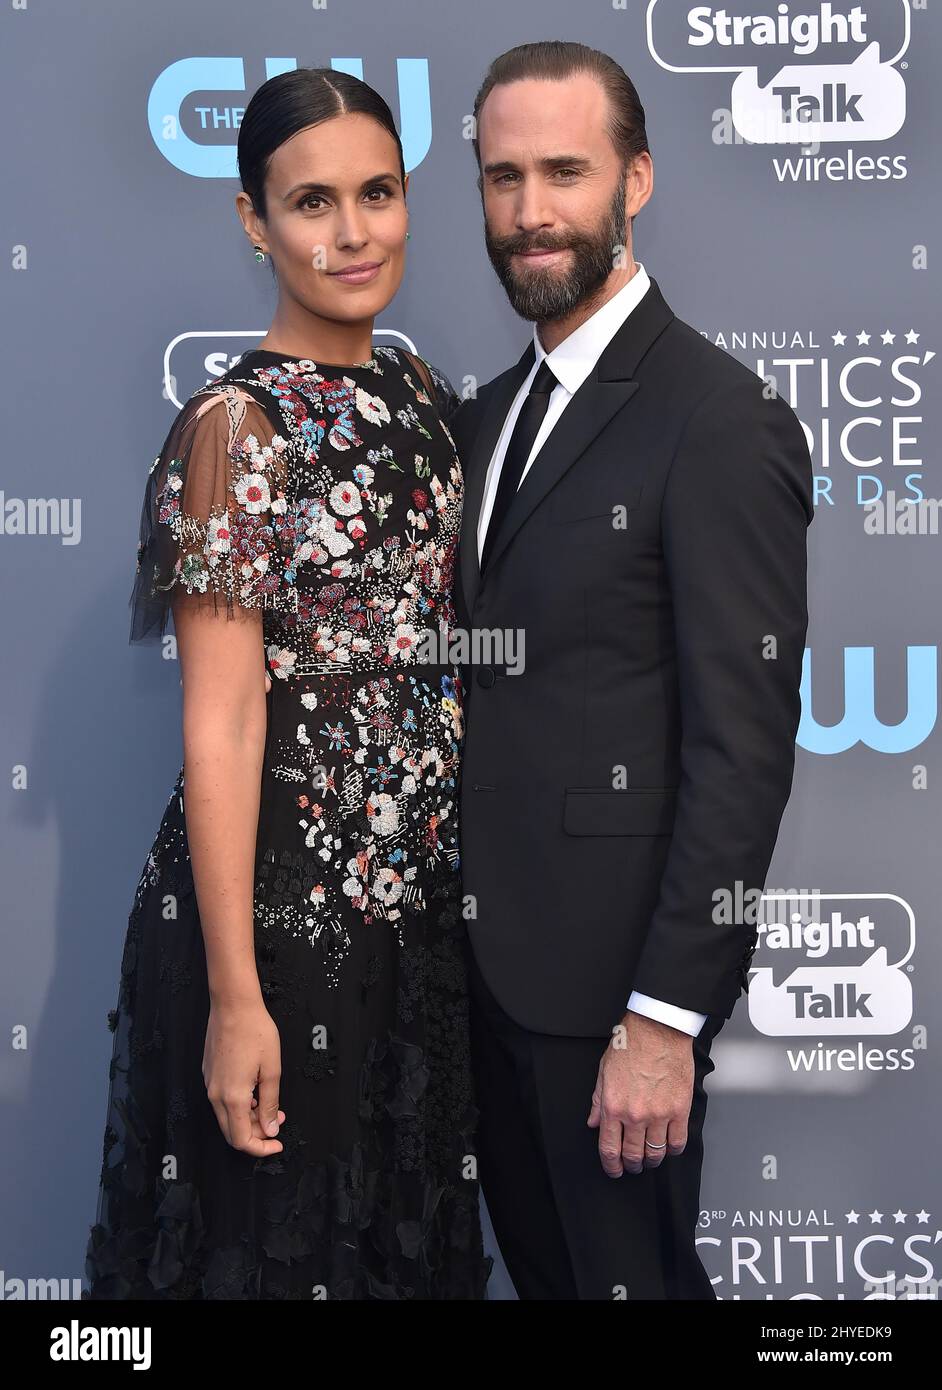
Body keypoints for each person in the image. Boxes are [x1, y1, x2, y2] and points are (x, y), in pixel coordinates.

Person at [84, 67, 491, 1300]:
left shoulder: (421, 401)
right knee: (267, 1250)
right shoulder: (233, 428)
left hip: (412, 921)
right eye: (311, 202)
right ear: (255, 222)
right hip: (280, 923)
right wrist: (235, 996)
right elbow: (221, 715)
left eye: (379, 192)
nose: (352, 232)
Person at [449, 41, 814, 1299]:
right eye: (504, 178)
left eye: (565, 171)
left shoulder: (718, 418)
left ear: (637, 179)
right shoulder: (487, 416)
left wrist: (664, 1019)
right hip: (480, 984)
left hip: (612, 999)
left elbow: (743, 746)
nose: (531, 212)